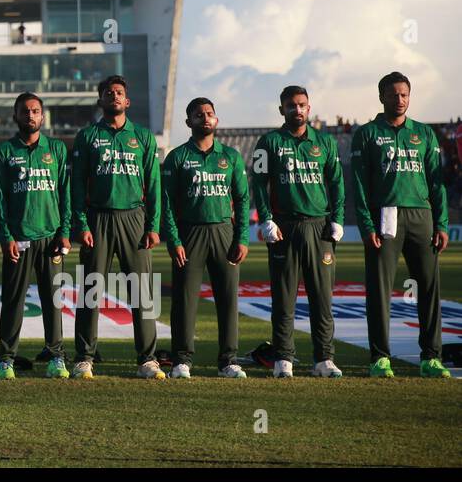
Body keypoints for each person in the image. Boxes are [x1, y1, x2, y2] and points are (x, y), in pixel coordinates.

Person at [350, 72, 452, 378]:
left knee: (429, 288)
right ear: (381, 97)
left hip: (422, 216)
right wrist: (367, 224)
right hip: (386, 216)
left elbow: (437, 183)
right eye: (394, 94)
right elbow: (359, 183)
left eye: (405, 94)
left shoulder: (424, 133)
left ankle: (431, 358)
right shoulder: (367, 134)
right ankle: (380, 358)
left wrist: (442, 223)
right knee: (380, 289)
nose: (400, 100)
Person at [70, 75, 164, 379]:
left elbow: (153, 184)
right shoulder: (86, 137)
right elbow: (76, 184)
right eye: (108, 93)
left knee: (142, 292)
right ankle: (85, 357)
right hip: (97, 218)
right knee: (90, 290)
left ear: (127, 101)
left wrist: (153, 224)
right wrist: (81, 223)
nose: (114, 96)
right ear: (101, 100)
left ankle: (147, 359)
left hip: (134, 219)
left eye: (119, 92)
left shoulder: (144, 137)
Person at [250, 85, 345, 378]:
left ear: (309, 107)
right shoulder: (268, 142)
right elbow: (258, 184)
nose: (297, 110)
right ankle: (283, 359)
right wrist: (266, 219)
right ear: (282, 110)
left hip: (319, 229)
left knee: (322, 298)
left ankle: (323, 359)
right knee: (283, 297)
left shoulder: (325, 143)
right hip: (284, 228)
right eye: (291, 105)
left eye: (302, 104)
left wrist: (337, 218)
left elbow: (337, 183)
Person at [161, 97, 250, 379]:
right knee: (185, 300)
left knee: (227, 299)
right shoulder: (177, 157)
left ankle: (228, 361)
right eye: (199, 115)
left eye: (209, 113)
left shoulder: (231, 156)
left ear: (217, 120)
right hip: (190, 233)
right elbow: (167, 202)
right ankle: (182, 360)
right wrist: (174, 240)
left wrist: (242, 237)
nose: (205, 118)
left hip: (224, 231)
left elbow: (243, 198)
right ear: (189, 122)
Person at [0, 92, 70, 380]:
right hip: (19, 239)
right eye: (25, 111)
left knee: (53, 301)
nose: (30, 116)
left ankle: (56, 356)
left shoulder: (57, 149)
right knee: (13, 300)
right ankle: (6, 359)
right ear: (15, 116)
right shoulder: (3, 152)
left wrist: (64, 233)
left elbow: (65, 194)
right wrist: (6, 234)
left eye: (35, 111)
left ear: (43, 116)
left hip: (50, 238)